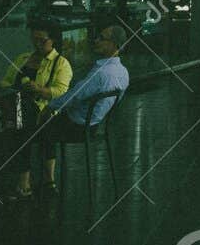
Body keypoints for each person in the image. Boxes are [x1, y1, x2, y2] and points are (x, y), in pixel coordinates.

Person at [18, 35, 129, 197]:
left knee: (26, 129)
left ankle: (24, 184)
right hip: (95, 126)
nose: (96, 40)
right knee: (47, 126)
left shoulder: (100, 73)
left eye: (102, 38)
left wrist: (50, 107)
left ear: (114, 45)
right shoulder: (123, 72)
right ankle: (48, 181)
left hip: (75, 126)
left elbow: (74, 96)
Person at [0, 28, 73, 111]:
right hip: (13, 106)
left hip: (39, 111)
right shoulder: (22, 58)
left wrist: (39, 90)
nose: (37, 44)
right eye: (34, 39)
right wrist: (13, 88)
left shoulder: (61, 64)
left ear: (52, 40)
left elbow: (61, 93)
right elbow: (5, 81)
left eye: (42, 40)